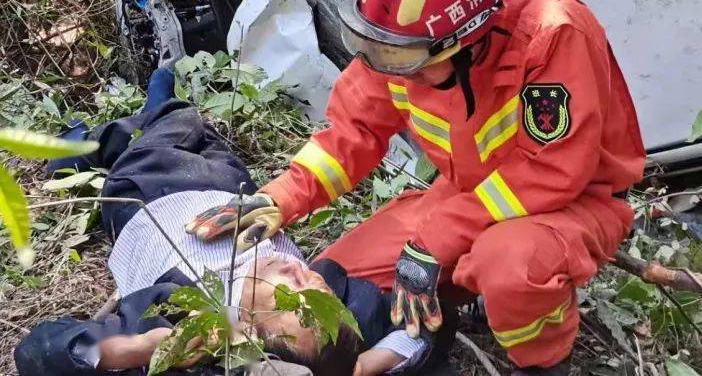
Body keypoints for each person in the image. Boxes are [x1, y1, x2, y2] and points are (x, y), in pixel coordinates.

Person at [188, 0, 647, 374]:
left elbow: (552, 171)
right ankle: (452, 301)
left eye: (402, 58)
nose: (388, 69)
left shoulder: (552, 34)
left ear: (467, 42)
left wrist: (435, 242)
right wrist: (282, 196)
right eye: (375, 47)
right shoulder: (398, 43)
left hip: (571, 204)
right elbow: (353, 130)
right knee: (336, 283)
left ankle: (542, 361)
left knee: (509, 266)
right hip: (465, 197)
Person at [15, 68, 437, 376]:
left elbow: (38, 351)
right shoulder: (341, 325)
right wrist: (364, 366)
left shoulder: (180, 319)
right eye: (318, 288)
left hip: (154, 199)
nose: (301, 272)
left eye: (287, 297)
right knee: (207, 139)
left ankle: (105, 138)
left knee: (172, 126)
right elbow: (419, 330)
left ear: (246, 329)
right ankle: (149, 117)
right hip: (236, 201)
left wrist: (133, 349)